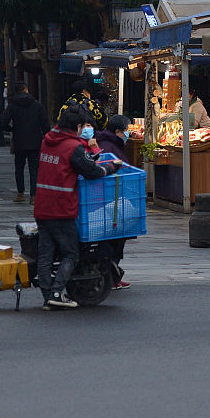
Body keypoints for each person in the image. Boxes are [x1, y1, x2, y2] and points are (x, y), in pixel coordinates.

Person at [33, 106, 117, 310]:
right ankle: (55, 292)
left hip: (42, 205)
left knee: (45, 254)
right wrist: (112, 166)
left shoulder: (47, 139)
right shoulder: (72, 146)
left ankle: (48, 296)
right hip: (61, 208)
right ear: (78, 126)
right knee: (71, 254)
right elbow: (92, 172)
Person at [95, 114, 134, 290]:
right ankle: (109, 276)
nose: (128, 134)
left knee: (116, 239)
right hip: (112, 200)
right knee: (114, 239)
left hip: (113, 199)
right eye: (126, 130)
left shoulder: (110, 144)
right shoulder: (109, 147)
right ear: (117, 131)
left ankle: (113, 274)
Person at [0, 82, 48, 203]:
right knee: (34, 169)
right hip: (35, 140)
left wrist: (12, 129)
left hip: (19, 140)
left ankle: (20, 193)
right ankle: (33, 196)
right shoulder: (37, 104)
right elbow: (45, 124)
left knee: (19, 168)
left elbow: (2, 122)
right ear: (26, 89)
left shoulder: (13, 105)